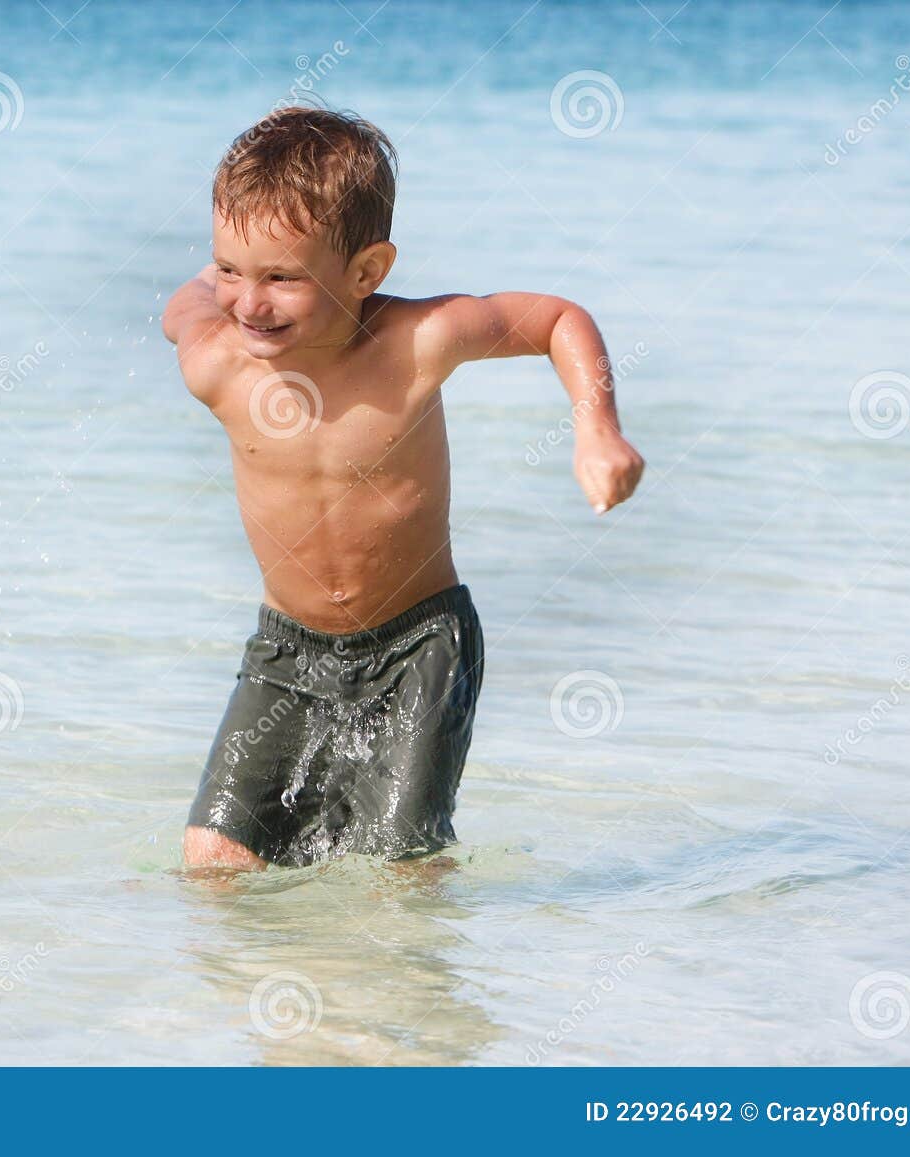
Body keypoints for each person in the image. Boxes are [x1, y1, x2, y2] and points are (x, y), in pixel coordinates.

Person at [163, 107, 645, 869]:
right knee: (215, 858)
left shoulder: (416, 343)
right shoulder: (216, 363)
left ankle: (424, 945)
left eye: (282, 277)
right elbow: (184, 309)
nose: (250, 303)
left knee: (400, 869)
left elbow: (556, 320)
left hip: (418, 645)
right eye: (230, 269)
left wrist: (598, 429)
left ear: (367, 272)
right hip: (287, 650)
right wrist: (207, 282)